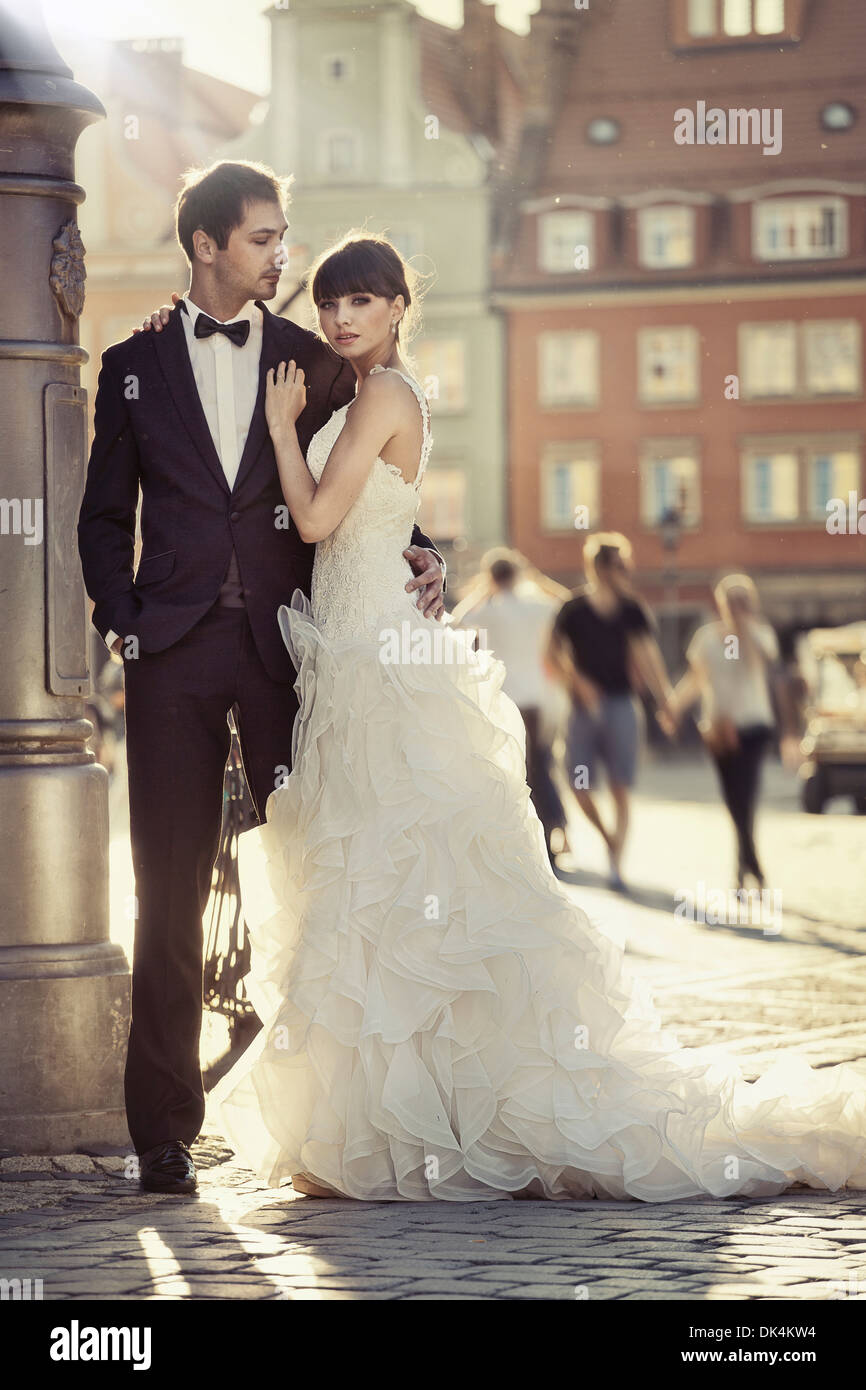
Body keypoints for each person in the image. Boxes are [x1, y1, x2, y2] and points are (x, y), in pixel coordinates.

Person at [205, 233, 866, 1202]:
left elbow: (312, 522)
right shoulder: (367, 392)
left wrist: (275, 429)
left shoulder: (382, 393)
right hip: (354, 652)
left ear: (397, 307)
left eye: (361, 301)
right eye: (329, 301)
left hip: (376, 661)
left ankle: (420, 1122)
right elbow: (364, 524)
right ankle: (387, 1120)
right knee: (382, 883)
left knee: (401, 877)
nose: (340, 317)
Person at [77, 162, 447, 1197]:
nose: (281, 256)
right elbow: (103, 517)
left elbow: (357, 478)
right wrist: (125, 625)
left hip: (295, 658)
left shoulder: (312, 359)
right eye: (260, 239)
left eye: (284, 237)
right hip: (173, 657)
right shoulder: (135, 363)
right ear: (205, 246)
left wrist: (421, 547)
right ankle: (163, 1126)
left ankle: (356, 1109)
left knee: (326, 872)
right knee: (166, 887)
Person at [546, 534, 673, 891]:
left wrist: (666, 702)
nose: (627, 572)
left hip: (621, 706)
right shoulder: (572, 609)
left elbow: (649, 658)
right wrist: (577, 681)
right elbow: (550, 654)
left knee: (620, 786)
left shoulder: (631, 609)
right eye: (621, 565)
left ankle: (616, 865)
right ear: (599, 567)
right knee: (579, 784)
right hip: (582, 710)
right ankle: (609, 840)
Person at [453, 549, 570, 864]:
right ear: (518, 576)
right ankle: (554, 830)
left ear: (492, 578)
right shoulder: (537, 606)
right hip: (540, 699)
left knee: (516, 772)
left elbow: (456, 621)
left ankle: (532, 838)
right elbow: (567, 603)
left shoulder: (490, 610)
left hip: (508, 699)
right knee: (541, 765)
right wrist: (538, 580)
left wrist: (481, 590)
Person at [664, 575, 779, 890]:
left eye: (742, 600)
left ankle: (746, 867)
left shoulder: (760, 634)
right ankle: (750, 863)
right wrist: (673, 707)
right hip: (717, 728)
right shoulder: (706, 639)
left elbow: (763, 662)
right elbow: (695, 679)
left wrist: (743, 627)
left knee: (746, 793)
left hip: (753, 726)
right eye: (731, 600)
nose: (736, 606)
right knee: (732, 798)